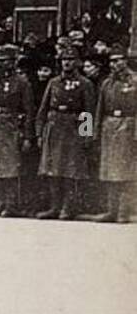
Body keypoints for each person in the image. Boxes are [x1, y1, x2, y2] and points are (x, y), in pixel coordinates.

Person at [35, 43, 96, 220]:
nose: (66, 63)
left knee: (71, 170)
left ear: (77, 62)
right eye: (63, 60)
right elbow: (43, 109)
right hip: (54, 127)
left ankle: (67, 207)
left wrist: (86, 135)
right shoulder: (53, 82)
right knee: (53, 169)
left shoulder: (85, 84)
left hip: (73, 129)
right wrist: (40, 133)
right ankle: (54, 206)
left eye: (70, 60)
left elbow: (88, 111)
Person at [0, 44, 35, 216]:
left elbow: (29, 110)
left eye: (4, 61)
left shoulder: (22, 82)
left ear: (13, 62)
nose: (0, 64)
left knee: (10, 169)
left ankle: (10, 205)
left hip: (12, 127)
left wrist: (27, 136)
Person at [84, 49, 137, 222]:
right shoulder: (107, 83)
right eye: (111, 62)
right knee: (109, 171)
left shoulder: (135, 81)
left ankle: (124, 211)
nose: (113, 65)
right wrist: (94, 133)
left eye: (117, 61)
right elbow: (99, 110)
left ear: (125, 61)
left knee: (126, 171)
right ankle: (111, 210)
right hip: (109, 128)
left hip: (128, 127)